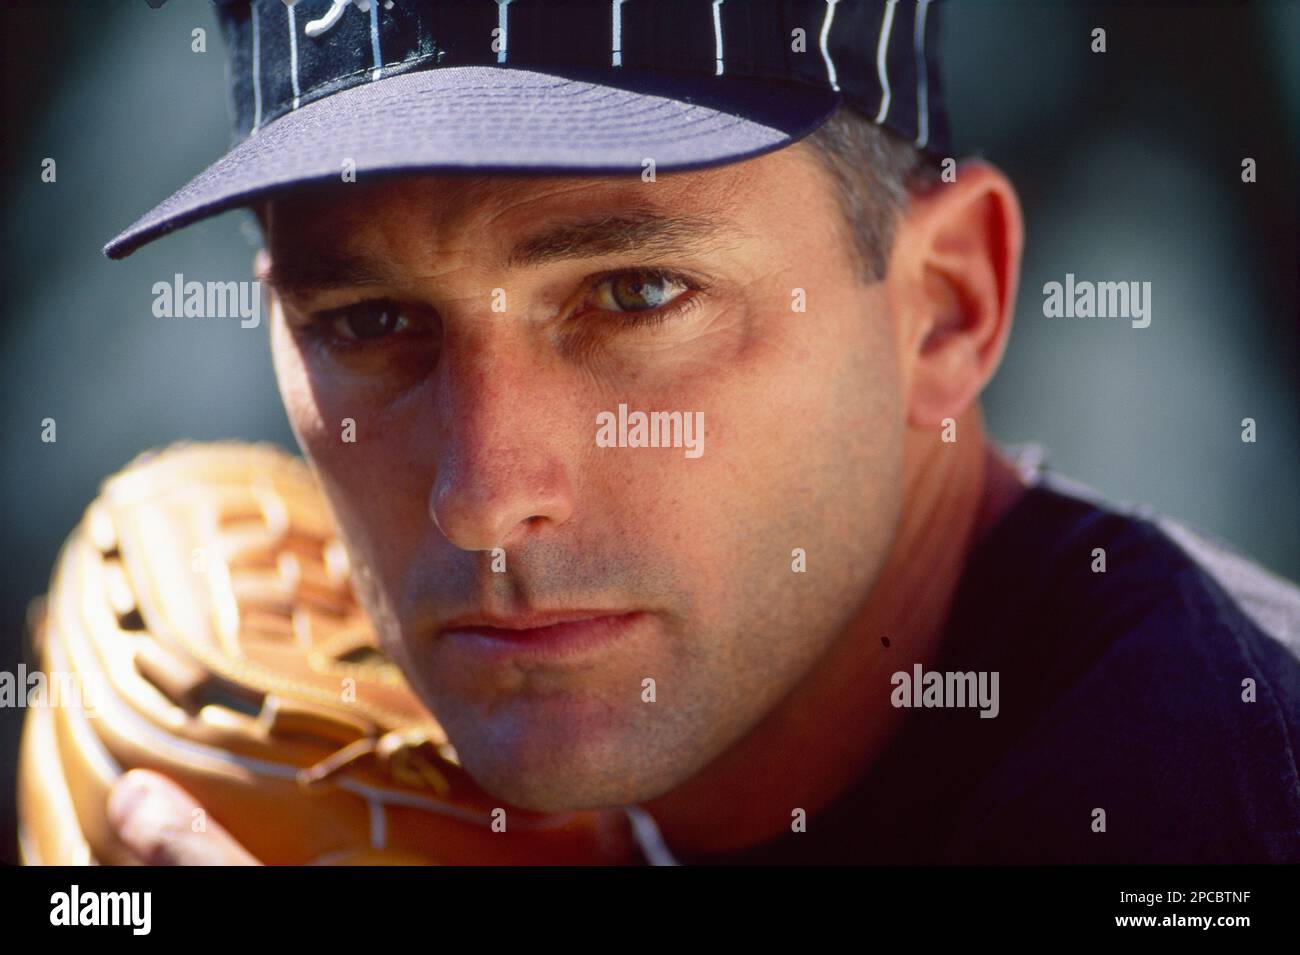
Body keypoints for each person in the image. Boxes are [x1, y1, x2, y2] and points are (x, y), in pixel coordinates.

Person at [96, 0, 1299, 865]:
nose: (483, 495)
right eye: (369, 319)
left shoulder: (1202, 800)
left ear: (946, 307)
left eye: (633, 295)